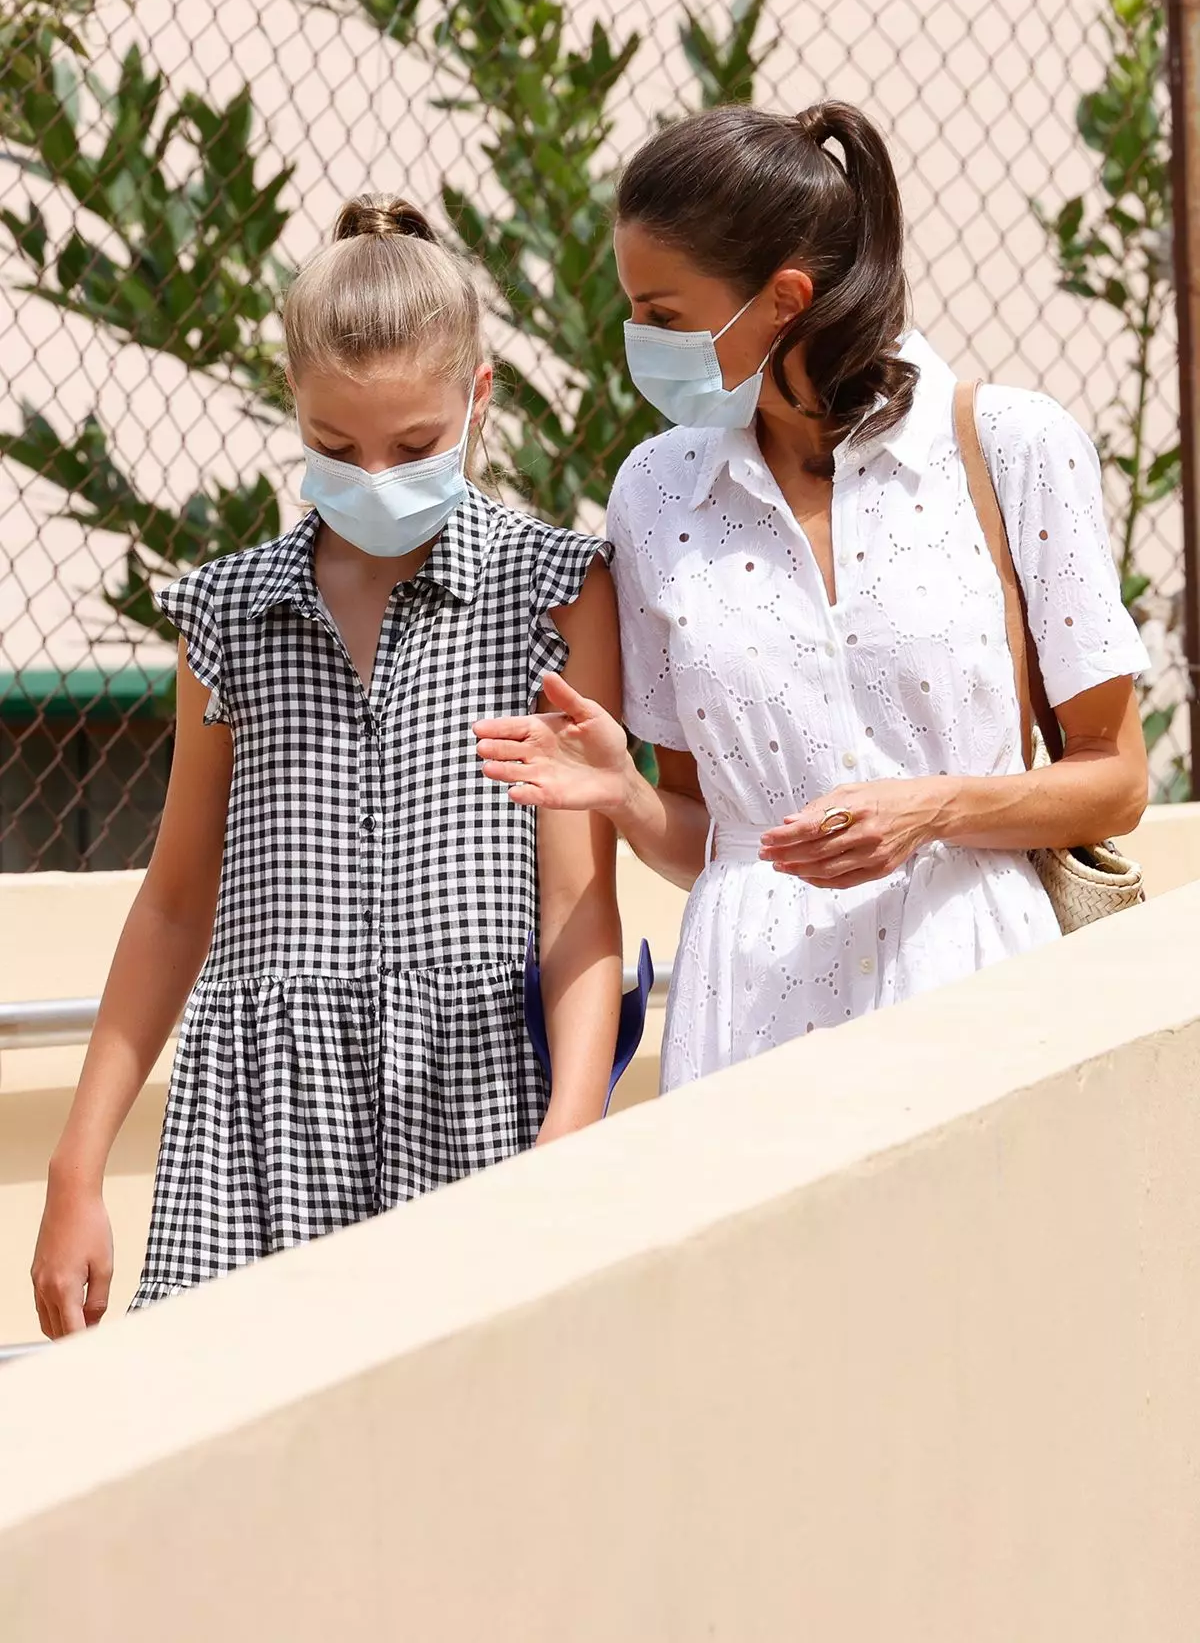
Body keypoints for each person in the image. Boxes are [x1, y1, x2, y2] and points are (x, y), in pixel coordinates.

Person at [32, 197, 622, 1335]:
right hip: (257, 1125)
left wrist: (575, 1126)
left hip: (477, 1106)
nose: (374, 475)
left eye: (412, 448)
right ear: (291, 408)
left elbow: (576, 903)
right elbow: (173, 901)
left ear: (478, 398)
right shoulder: (228, 613)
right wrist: (76, 1165)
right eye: (333, 449)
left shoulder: (552, 592)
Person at [475, 102, 1150, 1090]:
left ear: (785, 298)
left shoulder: (1011, 446)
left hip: (976, 993)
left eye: (662, 316)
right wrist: (624, 792)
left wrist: (937, 808)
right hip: (750, 1016)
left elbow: (1116, 778)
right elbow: (725, 843)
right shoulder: (657, 493)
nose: (637, 341)